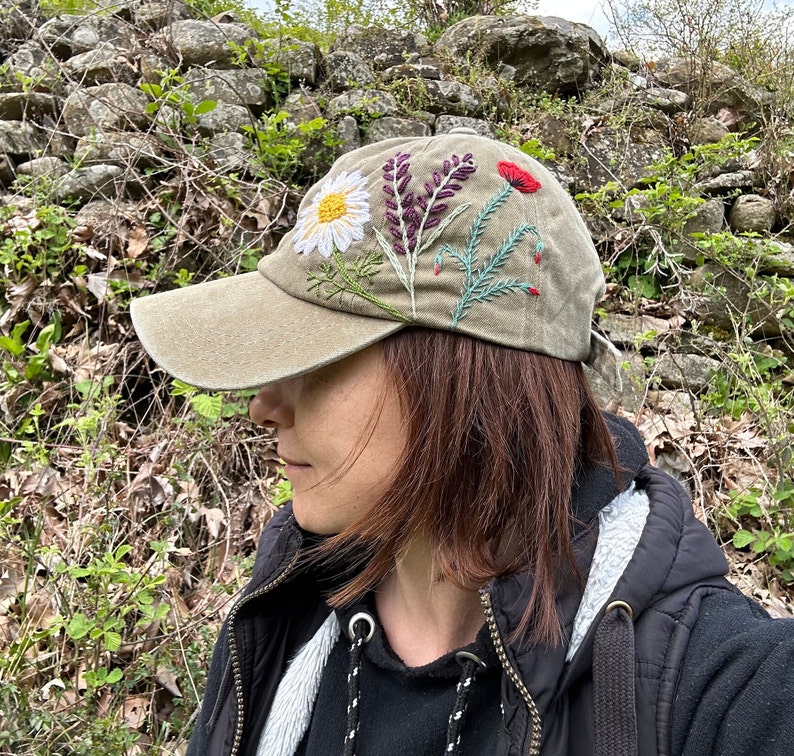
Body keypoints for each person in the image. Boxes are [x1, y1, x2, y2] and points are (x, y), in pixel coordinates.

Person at [131, 130, 794, 756]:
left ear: (462, 379)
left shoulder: (696, 675)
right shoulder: (285, 608)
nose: (263, 407)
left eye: (316, 360)